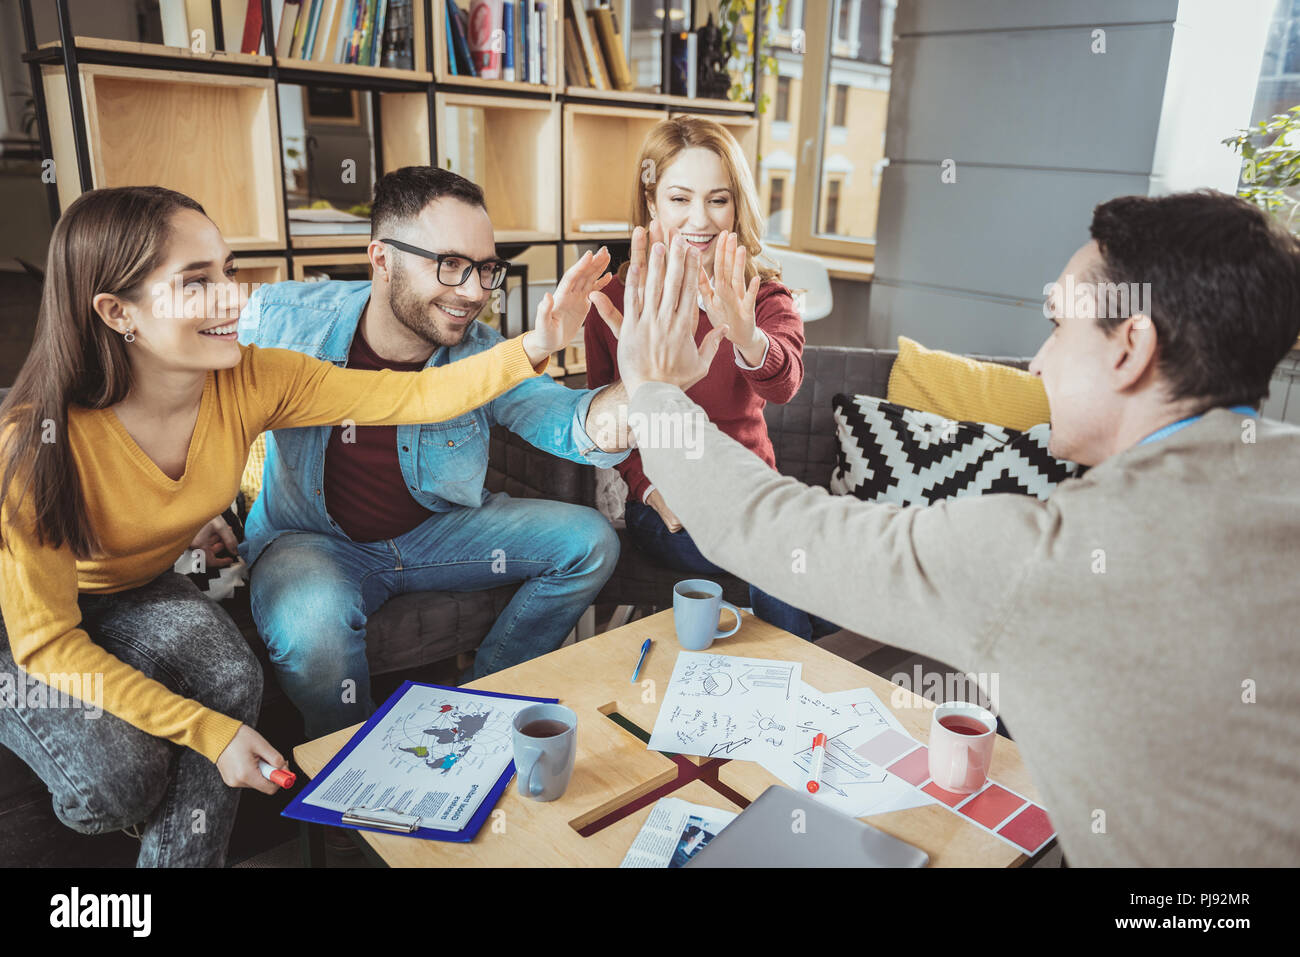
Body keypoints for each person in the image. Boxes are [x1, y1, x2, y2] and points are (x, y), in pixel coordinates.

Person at [601, 190, 1300, 866]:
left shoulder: (1040, 556)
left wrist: (654, 389)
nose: (1037, 361)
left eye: (1059, 326)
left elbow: (766, 525)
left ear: (1131, 346)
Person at [0, 185, 574, 866]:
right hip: (23, 627)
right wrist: (205, 734)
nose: (231, 299)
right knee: (120, 782)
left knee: (231, 676)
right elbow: (48, 642)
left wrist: (537, 343)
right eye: (196, 281)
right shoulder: (30, 443)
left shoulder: (250, 378)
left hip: (129, 585)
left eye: (227, 272)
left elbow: (413, 396)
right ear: (117, 310)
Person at [236, 167, 630, 742]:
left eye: (485, 269)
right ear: (382, 259)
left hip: (438, 531)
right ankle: (350, 782)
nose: (473, 292)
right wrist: (202, 514)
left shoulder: (484, 353)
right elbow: (187, 397)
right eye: (450, 264)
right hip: (311, 541)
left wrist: (644, 386)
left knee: (590, 541)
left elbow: (570, 423)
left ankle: (479, 713)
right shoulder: (283, 320)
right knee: (313, 624)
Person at [585, 115, 838, 641]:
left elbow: (784, 384)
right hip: (668, 506)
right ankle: (813, 695)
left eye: (717, 200)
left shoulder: (764, 296)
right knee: (786, 559)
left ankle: (793, 689)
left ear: (736, 206)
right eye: (680, 199)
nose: (700, 218)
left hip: (755, 496)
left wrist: (747, 337)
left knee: (777, 547)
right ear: (652, 203)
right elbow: (602, 424)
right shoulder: (613, 302)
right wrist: (650, 488)